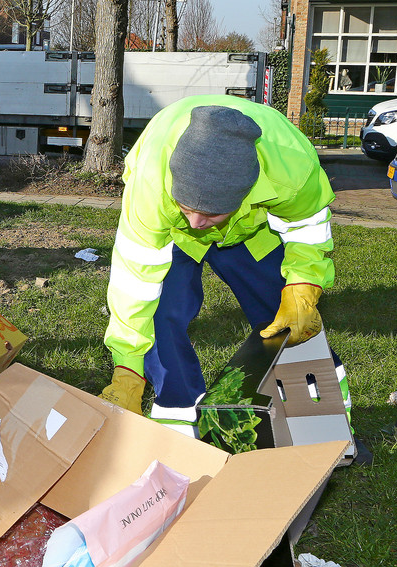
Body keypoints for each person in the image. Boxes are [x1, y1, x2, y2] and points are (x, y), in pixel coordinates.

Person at [97, 96, 354, 441]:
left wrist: (303, 287)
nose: (198, 222)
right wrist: (128, 367)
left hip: (249, 226)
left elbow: (308, 228)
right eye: (187, 207)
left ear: (245, 191)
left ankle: (326, 425)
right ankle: (180, 429)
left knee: (285, 310)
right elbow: (134, 284)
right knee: (161, 312)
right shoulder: (152, 186)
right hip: (172, 232)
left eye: (211, 214)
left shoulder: (291, 166)